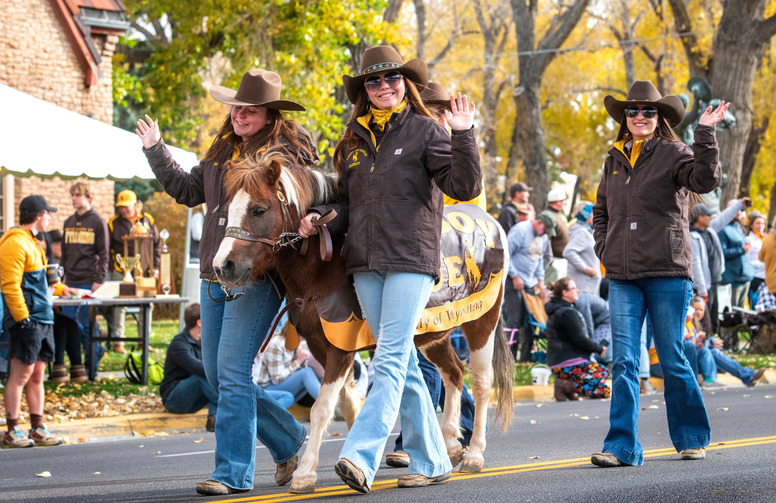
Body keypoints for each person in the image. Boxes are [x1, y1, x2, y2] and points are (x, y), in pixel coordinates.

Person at [297, 45, 481, 493]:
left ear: (406, 83)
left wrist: (463, 134)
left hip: (411, 259)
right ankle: (434, 459)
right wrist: (322, 216)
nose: (384, 87)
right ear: (364, 89)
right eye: (374, 81)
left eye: (392, 78)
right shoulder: (352, 139)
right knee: (407, 366)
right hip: (363, 263)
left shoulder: (425, 130)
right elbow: (347, 203)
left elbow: (465, 185)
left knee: (391, 355)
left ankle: (360, 456)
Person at [136, 68, 316, 496]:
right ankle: (289, 440)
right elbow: (184, 190)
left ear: (270, 115)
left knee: (232, 373)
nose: (239, 116)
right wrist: (155, 150)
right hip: (214, 270)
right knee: (218, 379)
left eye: (250, 111)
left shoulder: (285, 155)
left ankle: (232, 472)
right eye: (236, 109)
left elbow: (306, 197)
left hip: (258, 274)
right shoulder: (220, 153)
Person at [591, 80, 729, 467]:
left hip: (668, 271)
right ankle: (621, 447)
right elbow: (599, 213)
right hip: (622, 274)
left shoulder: (675, 152)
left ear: (659, 117)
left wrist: (705, 134)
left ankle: (691, 437)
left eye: (648, 111)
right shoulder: (613, 158)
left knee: (671, 356)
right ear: (624, 118)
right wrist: (605, 247)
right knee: (624, 361)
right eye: (633, 111)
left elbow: (704, 180)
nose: (639, 116)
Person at [1, 195, 79, 447]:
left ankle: (37, 426)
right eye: (48, 213)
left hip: (43, 318)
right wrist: (22, 317)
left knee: (37, 375)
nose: (49, 218)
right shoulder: (15, 243)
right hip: (29, 320)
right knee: (20, 375)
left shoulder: (34, 243)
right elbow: (10, 285)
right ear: (38, 215)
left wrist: (58, 289)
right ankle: (12, 428)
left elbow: (39, 284)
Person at [61, 182, 109, 372]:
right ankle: (95, 351)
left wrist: (99, 280)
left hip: (89, 281)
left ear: (88, 197)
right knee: (71, 324)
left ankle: (91, 366)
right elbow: (64, 254)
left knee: (89, 326)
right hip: (70, 281)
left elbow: (105, 253)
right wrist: (63, 277)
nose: (74, 198)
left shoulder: (98, 222)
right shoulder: (68, 222)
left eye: (78, 195)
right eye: (72, 195)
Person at [107, 189, 161, 354]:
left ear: (135, 204)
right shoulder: (113, 223)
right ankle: (118, 341)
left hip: (144, 270)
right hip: (120, 270)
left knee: (147, 303)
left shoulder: (147, 219)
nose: (123, 209)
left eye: (126, 206)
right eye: (120, 206)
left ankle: (143, 341)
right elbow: (106, 248)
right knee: (120, 304)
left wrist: (156, 267)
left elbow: (157, 244)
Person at [544, 277, 609, 401]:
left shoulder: (561, 310)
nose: (577, 291)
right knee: (602, 388)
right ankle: (566, 386)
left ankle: (567, 384)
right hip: (567, 362)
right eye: (573, 288)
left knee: (602, 373)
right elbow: (579, 339)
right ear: (565, 293)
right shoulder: (567, 313)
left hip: (561, 362)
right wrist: (598, 348)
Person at [504, 211, 555, 362]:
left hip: (531, 283)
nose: (546, 234)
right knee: (514, 320)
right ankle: (509, 359)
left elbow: (539, 260)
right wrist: (514, 276)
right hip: (514, 281)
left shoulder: (543, 236)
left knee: (530, 321)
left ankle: (525, 359)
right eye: (545, 229)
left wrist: (540, 281)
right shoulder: (520, 231)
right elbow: (505, 254)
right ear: (539, 222)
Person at [159, 303, 218, 432]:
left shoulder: (204, 342)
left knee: (213, 384)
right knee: (203, 378)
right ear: (200, 322)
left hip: (194, 398)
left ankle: (213, 417)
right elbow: (197, 368)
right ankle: (233, 404)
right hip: (173, 399)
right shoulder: (178, 344)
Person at [688, 296, 765, 387]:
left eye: (701, 309)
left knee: (714, 351)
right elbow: (691, 343)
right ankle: (711, 380)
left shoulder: (701, 324)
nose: (698, 312)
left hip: (701, 358)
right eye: (696, 309)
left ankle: (748, 376)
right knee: (709, 351)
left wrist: (712, 341)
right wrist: (710, 343)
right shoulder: (687, 323)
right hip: (691, 359)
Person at [255, 325, 321, 405]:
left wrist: (302, 361)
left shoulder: (302, 342)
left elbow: (299, 370)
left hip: (286, 386)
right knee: (306, 373)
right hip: (268, 387)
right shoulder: (277, 344)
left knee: (314, 374)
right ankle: (329, 406)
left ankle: (329, 406)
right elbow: (276, 379)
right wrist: (298, 361)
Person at [719, 200, 754, 308]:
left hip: (745, 277)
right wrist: (742, 250)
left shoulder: (738, 228)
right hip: (733, 280)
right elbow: (722, 253)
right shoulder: (722, 229)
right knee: (733, 315)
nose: (739, 212)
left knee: (742, 315)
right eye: (736, 209)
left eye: (741, 209)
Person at [746, 211, 767, 304]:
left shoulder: (766, 238)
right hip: (755, 276)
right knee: (756, 303)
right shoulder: (749, 239)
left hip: (766, 276)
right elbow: (748, 260)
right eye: (757, 223)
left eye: (762, 223)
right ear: (751, 225)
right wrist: (764, 264)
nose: (760, 226)